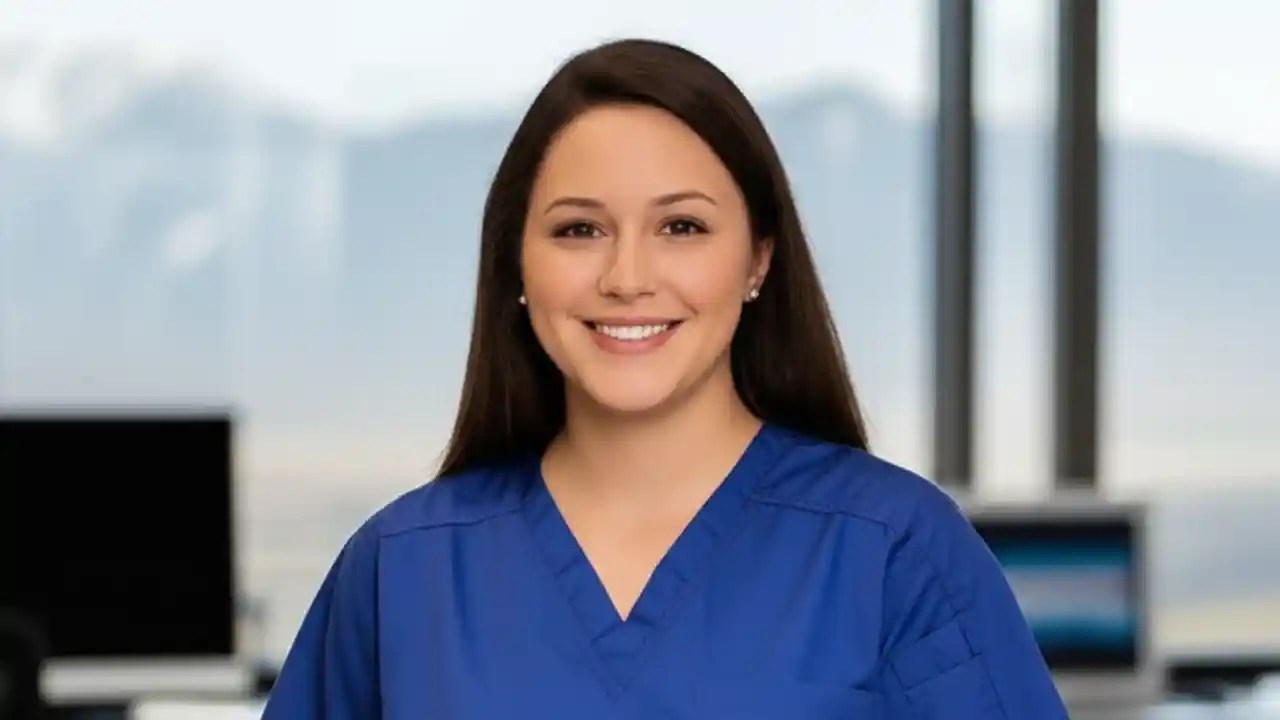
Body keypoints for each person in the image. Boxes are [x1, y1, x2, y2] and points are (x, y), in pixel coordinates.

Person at [263, 38, 1068, 718]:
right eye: (580, 229)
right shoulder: (403, 571)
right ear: (517, 263)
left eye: (681, 227)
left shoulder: (895, 552)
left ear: (757, 259)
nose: (627, 276)